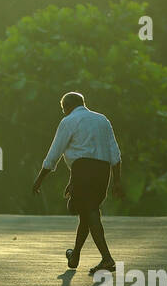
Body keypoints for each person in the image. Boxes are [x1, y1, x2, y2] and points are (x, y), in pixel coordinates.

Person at [32, 91, 123, 275]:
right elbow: (115, 154)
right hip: (103, 171)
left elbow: (54, 154)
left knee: (89, 211)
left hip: (83, 170)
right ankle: (75, 256)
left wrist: (39, 180)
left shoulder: (69, 121)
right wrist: (117, 182)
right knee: (87, 212)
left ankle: (107, 258)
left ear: (66, 108)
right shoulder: (102, 120)